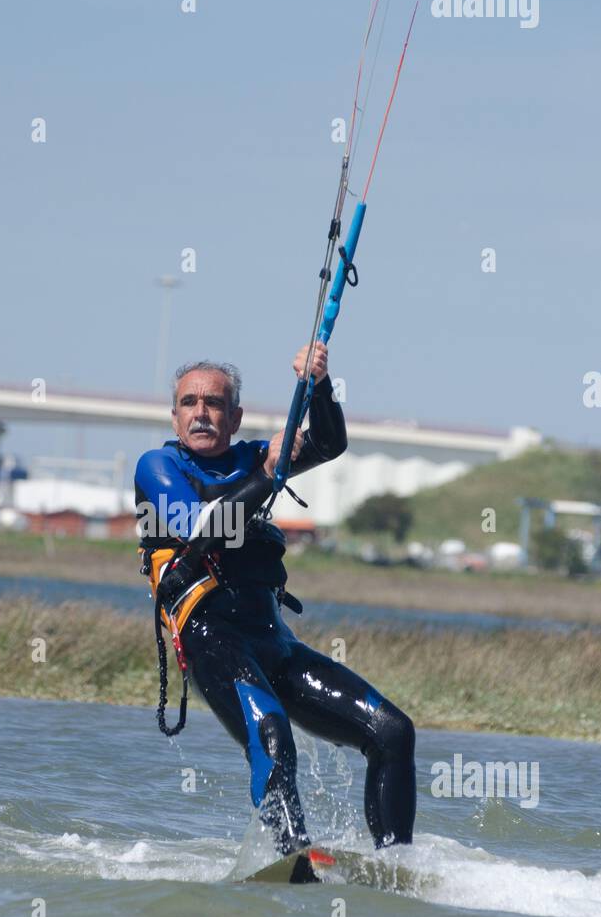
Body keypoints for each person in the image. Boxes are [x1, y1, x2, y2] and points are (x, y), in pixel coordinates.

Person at [134, 348, 416, 859]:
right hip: (210, 642)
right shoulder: (159, 467)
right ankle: (292, 855)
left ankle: (397, 862)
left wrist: (319, 385)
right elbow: (203, 528)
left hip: (273, 643)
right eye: (189, 402)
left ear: (234, 417)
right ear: (175, 415)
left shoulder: (254, 457)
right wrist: (270, 473)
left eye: (215, 404)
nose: (201, 412)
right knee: (272, 734)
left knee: (393, 732)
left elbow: (328, 442)